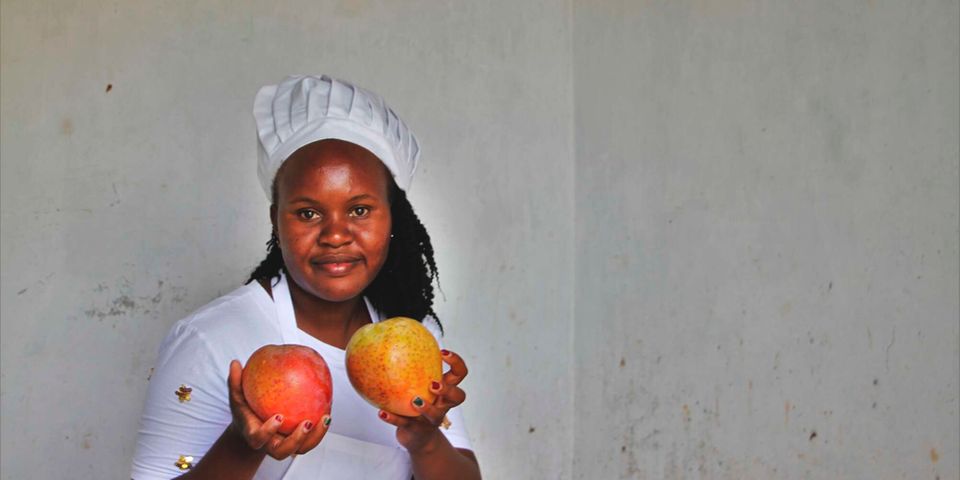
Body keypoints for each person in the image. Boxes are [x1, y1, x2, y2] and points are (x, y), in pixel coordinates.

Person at [131, 75, 481, 479]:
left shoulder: (413, 343)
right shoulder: (211, 340)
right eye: (308, 213)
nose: (335, 235)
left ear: (392, 219)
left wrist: (424, 440)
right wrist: (244, 446)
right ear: (275, 222)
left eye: (360, 210)